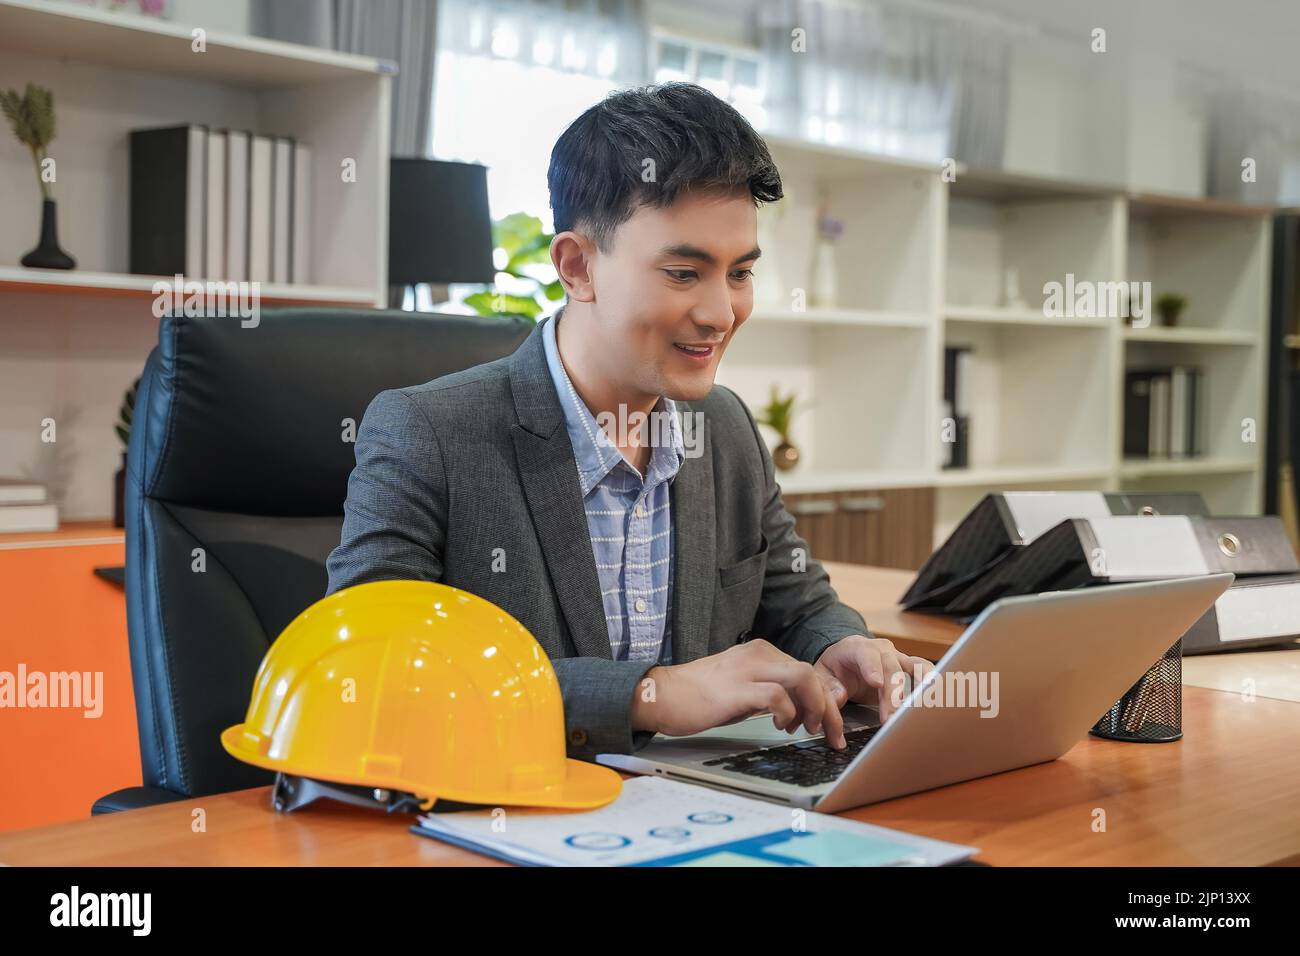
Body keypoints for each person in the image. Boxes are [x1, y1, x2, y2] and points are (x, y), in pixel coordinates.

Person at [326, 81, 933, 760]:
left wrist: (841, 644)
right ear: (577, 266)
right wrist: (652, 694)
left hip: (700, 812)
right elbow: (368, 675)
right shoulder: (428, 435)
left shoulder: (724, 428)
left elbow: (794, 601)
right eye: (683, 273)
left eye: (739, 274)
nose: (720, 314)